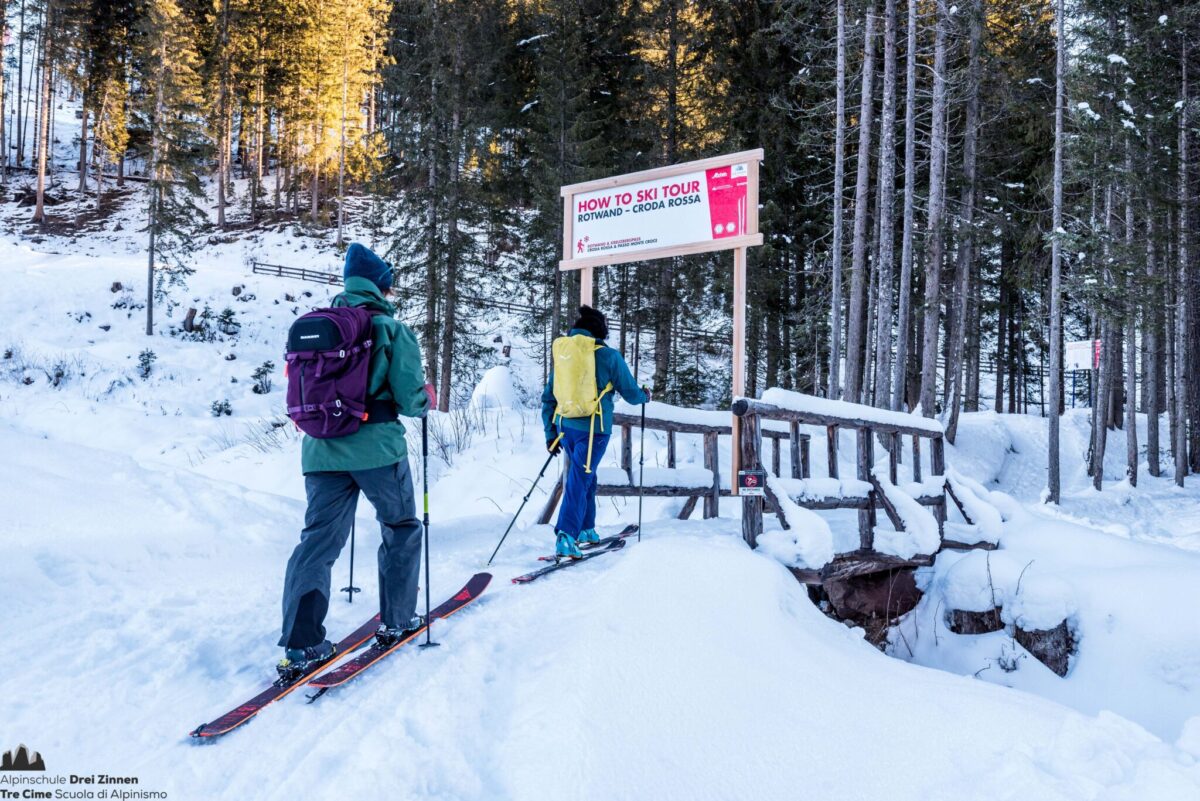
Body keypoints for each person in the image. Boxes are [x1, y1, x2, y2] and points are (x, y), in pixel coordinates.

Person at [277, 242, 436, 678]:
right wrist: (426, 400)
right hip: (377, 450)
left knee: (318, 542)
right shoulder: (391, 329)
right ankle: (398, 621)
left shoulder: (319, 327)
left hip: (320, 451)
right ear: (382, 285)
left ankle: (302, 644)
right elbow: (410, 399)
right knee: (401, 527)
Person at [541, 305, 649, 559]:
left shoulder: (565, 357)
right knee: (580, 480)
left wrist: (549, 433)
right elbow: (632, 395)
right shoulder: (609, 356)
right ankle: (566, 536)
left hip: (564, 428)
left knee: (586, 476)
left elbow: (548, 397)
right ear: (599, 331)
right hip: (594, 430)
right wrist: (645, 395)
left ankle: (586, 529)